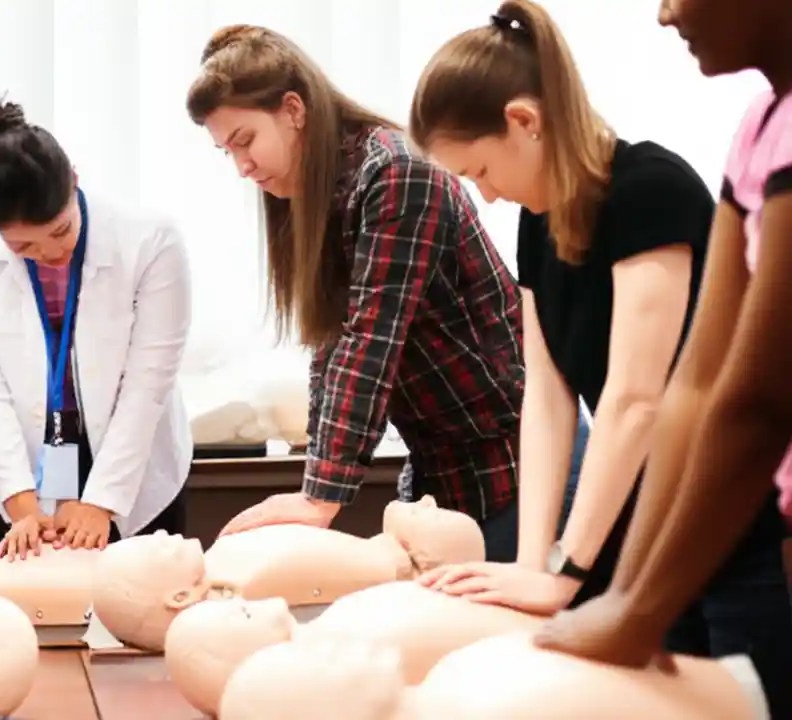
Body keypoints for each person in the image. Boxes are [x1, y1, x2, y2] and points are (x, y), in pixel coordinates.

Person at [407, 0, 731, 621]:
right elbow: (547, 396)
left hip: (707, 516)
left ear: (524, 120)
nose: (489, 195)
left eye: (481, 170)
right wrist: (533, 564)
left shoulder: (649, 189)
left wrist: (565, 571)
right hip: (624, 509)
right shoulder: (538, 221)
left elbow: (637, 400)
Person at [535, 0, 792, 716]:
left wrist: (638, 611)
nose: (663, 13)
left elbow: (759, 400)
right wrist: (625, 597)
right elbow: (694, 384)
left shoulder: (651, 186)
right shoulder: (760, 128)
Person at [187, 25, 527, 561]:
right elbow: (333, 349)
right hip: (438, 466)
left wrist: (320, 497)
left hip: (511, 463)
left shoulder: (396, 174)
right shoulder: (319, 194)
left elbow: (370, 338)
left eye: (245, 141)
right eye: (226, 151)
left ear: (294, 110)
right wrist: (314, 486)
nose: (241, 166)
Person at [0, 100, 192, 560]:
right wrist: (21, 506)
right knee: (31, 611)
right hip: (24, 458)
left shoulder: (152, 242)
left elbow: (146, 385)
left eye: (60, 231)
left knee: (139, 606)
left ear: (74, 181)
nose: (49, 254)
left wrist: (102, 502)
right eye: (22, 246)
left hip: (129, 459)